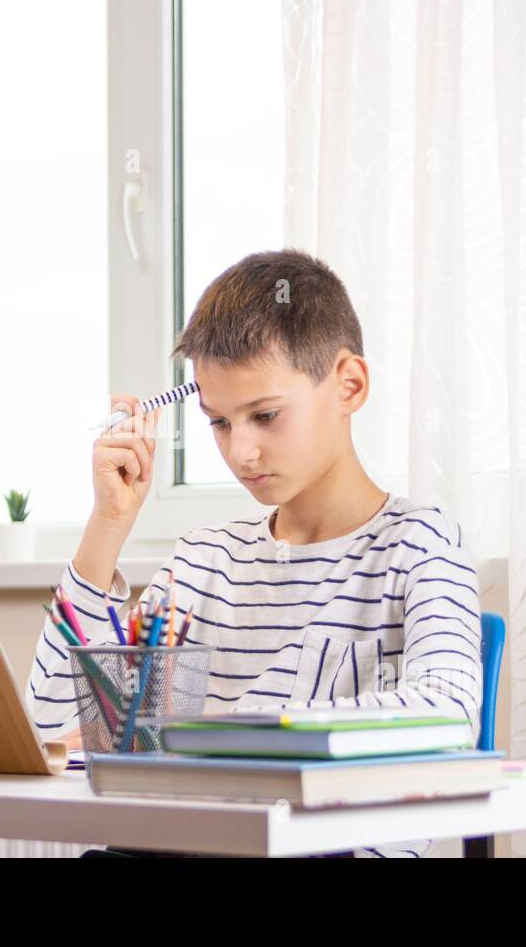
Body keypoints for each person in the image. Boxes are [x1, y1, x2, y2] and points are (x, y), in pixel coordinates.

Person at [28, 249, 481, 858]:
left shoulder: (419, 546)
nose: (241, 452)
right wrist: (108, 525)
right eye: (219, 423)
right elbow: (48, 728)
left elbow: (448, 715)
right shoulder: (201, 563)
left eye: (265, 416)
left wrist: (231, 739)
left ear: (349, 385)